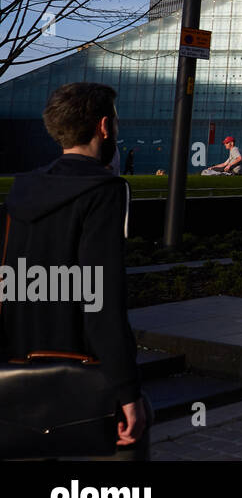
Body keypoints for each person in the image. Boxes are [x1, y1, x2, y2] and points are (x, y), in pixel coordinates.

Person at [0, 82, 150, 458]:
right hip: (86, 376)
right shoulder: (105, 192)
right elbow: (101, 301)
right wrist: (128, 393)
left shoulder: (21, 190)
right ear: (103, 127)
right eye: (114, 122)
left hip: (17, 369)